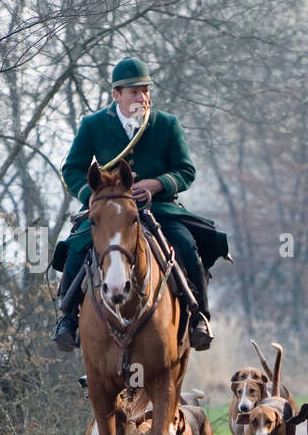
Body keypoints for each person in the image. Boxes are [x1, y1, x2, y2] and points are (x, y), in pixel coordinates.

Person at [52, 57, 217, 352]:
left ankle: (199, 316)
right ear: (116, 94)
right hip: (110, 208)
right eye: (133, 91)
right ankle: (67, 320)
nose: (142, 96)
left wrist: (159, 184)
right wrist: (89, 195)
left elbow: (185, 170)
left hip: (158, 209)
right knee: (76, 246)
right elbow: (72, 169)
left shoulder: (167, 124)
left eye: (145, 90)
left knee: (187, 244)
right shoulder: (93, 125)